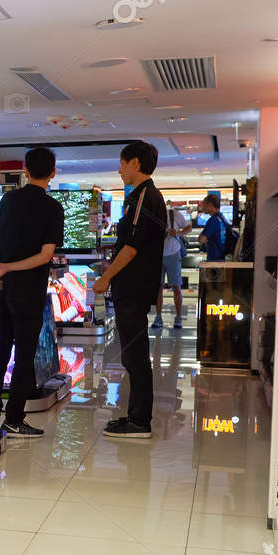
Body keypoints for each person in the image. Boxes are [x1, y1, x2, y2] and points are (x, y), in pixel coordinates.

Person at [0, 146, 63, 438]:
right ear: (52, 173)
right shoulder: (53, 208)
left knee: (0, 349)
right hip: (29, 290)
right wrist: (12, 266)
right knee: (24, 354)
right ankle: (14, 419)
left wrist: (5, 266)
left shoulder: (8, 200)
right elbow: (45, 256)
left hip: (1, 288)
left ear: (25, 171)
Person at [93, 141, 166, 440]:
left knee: (135, 357)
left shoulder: (144, 196)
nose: (120, 170)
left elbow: (132, 247)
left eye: (122, 164)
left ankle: (139, 421)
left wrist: (106, 277)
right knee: (133, 356)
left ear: (136, 163)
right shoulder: (142, 196)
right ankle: (136, 415)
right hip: (134, 288)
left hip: (134, 288)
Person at [153, 204, 188, 329]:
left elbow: (188, 227)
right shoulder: (153, 216)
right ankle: (158, 317)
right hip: (157, 255)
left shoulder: (175, 214)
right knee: (158, 288)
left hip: (173, 254)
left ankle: (178, 317)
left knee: (176, 287)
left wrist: (178, 233)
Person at [199, 194, 230, 262]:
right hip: (222, 257)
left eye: (204, 204)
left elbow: (201, 239)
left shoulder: (213, 220)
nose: (202, 207)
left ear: (210, 205)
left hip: (215, 259)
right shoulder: (222, 218)